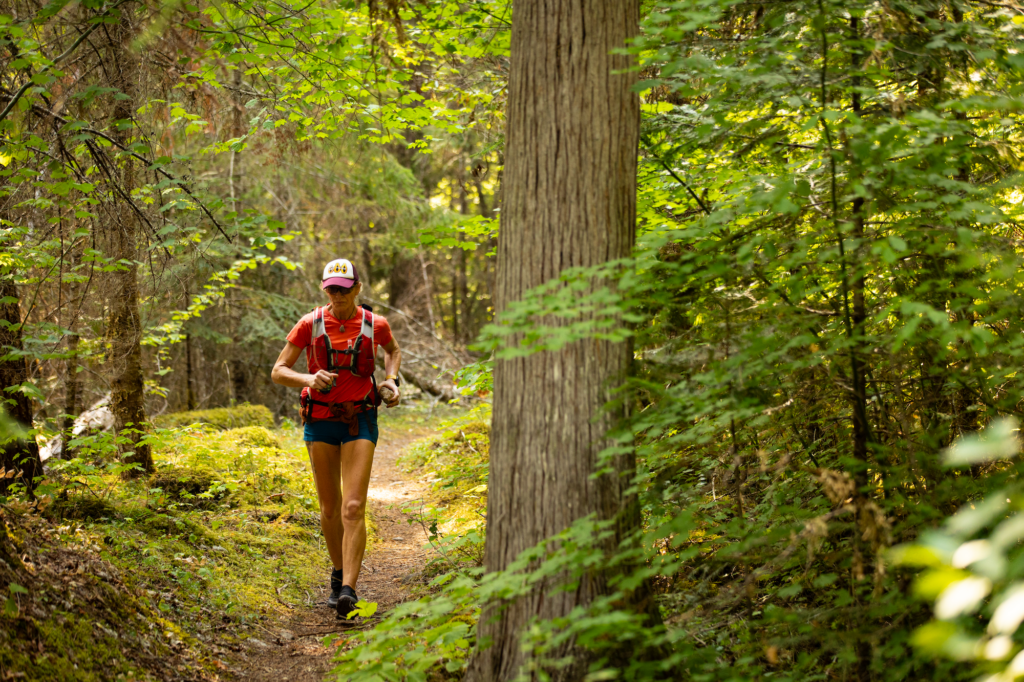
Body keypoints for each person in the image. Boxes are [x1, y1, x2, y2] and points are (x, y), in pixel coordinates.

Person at [271, 258, 402, 619]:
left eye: (344, 289)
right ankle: (338, 573)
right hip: (319, 420)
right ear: (323, 289)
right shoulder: (309, 324)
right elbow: (278, 371)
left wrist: (392, 382)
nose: (337, 295)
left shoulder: (376, 324)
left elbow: (392, 352)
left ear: (357, 289)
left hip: (360, 418)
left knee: (353, 507)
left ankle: (349, 590)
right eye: (331, 289)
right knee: (330, 508)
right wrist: (308, 379)